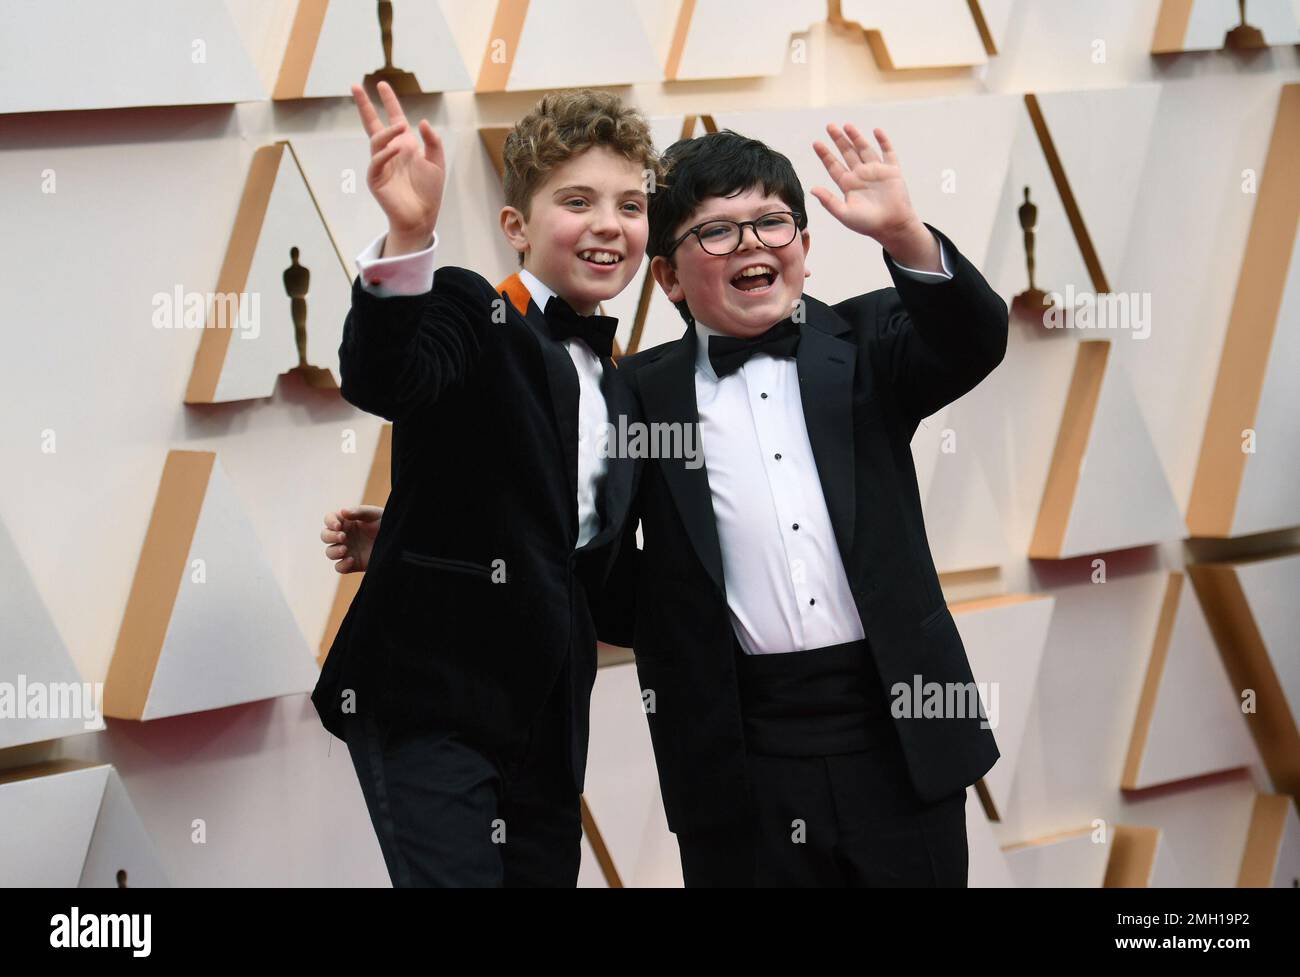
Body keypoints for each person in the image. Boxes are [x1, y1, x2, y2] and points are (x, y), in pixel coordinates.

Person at [325, 122, 1008, 887]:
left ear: (804, 247)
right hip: (737, 754)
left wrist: (907, 234)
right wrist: (436, 535)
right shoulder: (634, 394)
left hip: (898, 732)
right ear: (669, 277)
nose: (751, 244)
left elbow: (974, 339)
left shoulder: (869, 341)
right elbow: (588, 551)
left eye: (772, 222)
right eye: (715, 231)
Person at [312, 80, 659, 887]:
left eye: (631, 205)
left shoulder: (623, 385)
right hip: (432, 702)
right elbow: (387, 376)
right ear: (516, 225)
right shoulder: (473, 310)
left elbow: (586, 564)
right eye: (578, 200)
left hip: (550, 716)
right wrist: (409, 233)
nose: (609, 224)